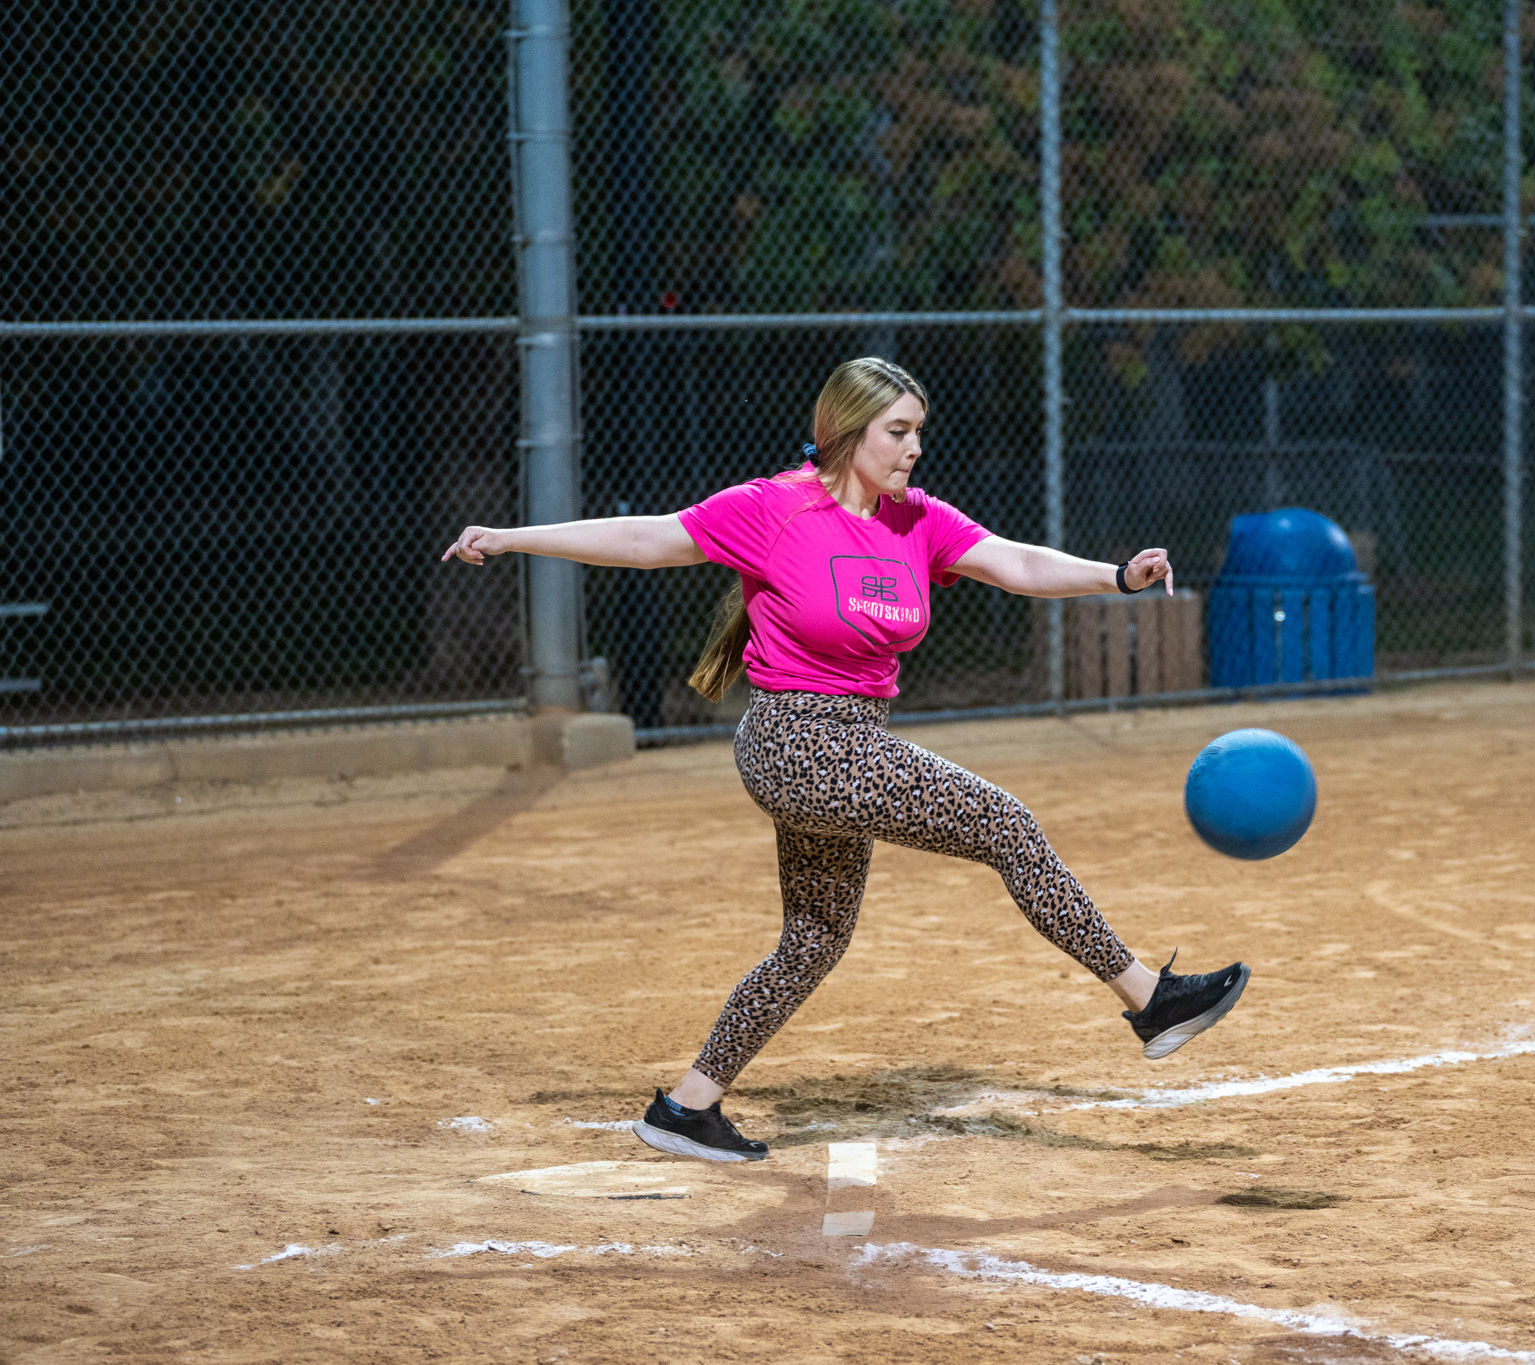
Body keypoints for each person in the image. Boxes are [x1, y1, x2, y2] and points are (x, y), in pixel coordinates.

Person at [442, 356, 1248, 1164]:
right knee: (1006, 823)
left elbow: (1016, 562)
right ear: (844, 432)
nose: (913, 449)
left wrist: (1118, 577)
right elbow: (646, 537)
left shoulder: (916, 519)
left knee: (815, 937)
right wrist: (514, 538)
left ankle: (686, 1108)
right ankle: (1150, 1000)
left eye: (918, 433)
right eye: (897, 432)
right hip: (797, 741)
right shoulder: (774, 507)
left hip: (854, 740)